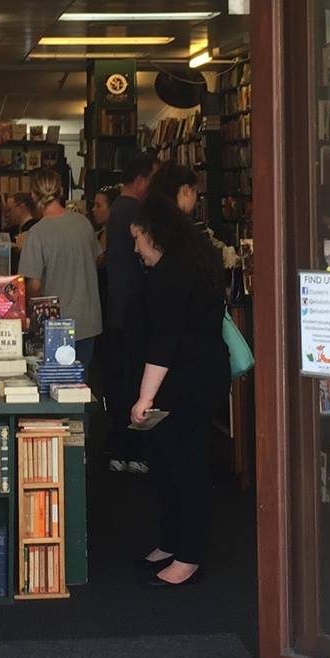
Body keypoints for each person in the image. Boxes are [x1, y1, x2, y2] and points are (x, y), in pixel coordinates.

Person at [128, 200, 230, 589]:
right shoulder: (196, 263)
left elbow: (165, 341)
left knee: (185, 467)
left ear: (154, 234)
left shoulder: (172, 274)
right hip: (197, 378)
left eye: (137, 239)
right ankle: (172, 542)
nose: (136, 249)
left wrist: (144, 397)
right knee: (169, 462)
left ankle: (189, 556)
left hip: (187, 384)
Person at [100, 150, 156, 472]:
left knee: (119, 381)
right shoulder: (136, 212)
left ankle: (120, 446)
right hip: (134, 312)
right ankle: (134, 450)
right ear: (140, 181)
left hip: (117, 310)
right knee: (134, 383)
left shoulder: (116, 211)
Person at [17, 171, 102, 365]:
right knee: (82, 384)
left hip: (57, 323)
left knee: (58, 384)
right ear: (61, 191)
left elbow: (34, 286)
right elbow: (97, 259)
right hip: (89, 319)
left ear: (33, 195)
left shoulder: (37, 233)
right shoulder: (84, 223)